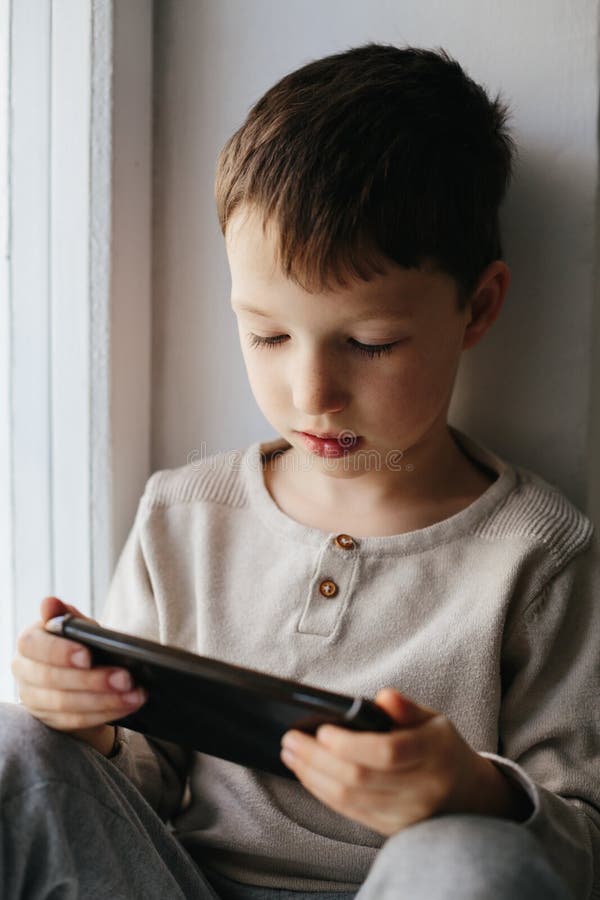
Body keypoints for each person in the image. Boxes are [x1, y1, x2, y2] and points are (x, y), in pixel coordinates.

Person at [1, 42, 598, 900]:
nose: (311, 392)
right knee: (14, 747)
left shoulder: (537, 556)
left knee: (476, 857)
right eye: (268, 336)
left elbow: (580, 846)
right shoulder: (186, 515)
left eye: (370, 344)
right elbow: (146, 782)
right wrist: (88, 728)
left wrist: (472, 791)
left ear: (479, 307)